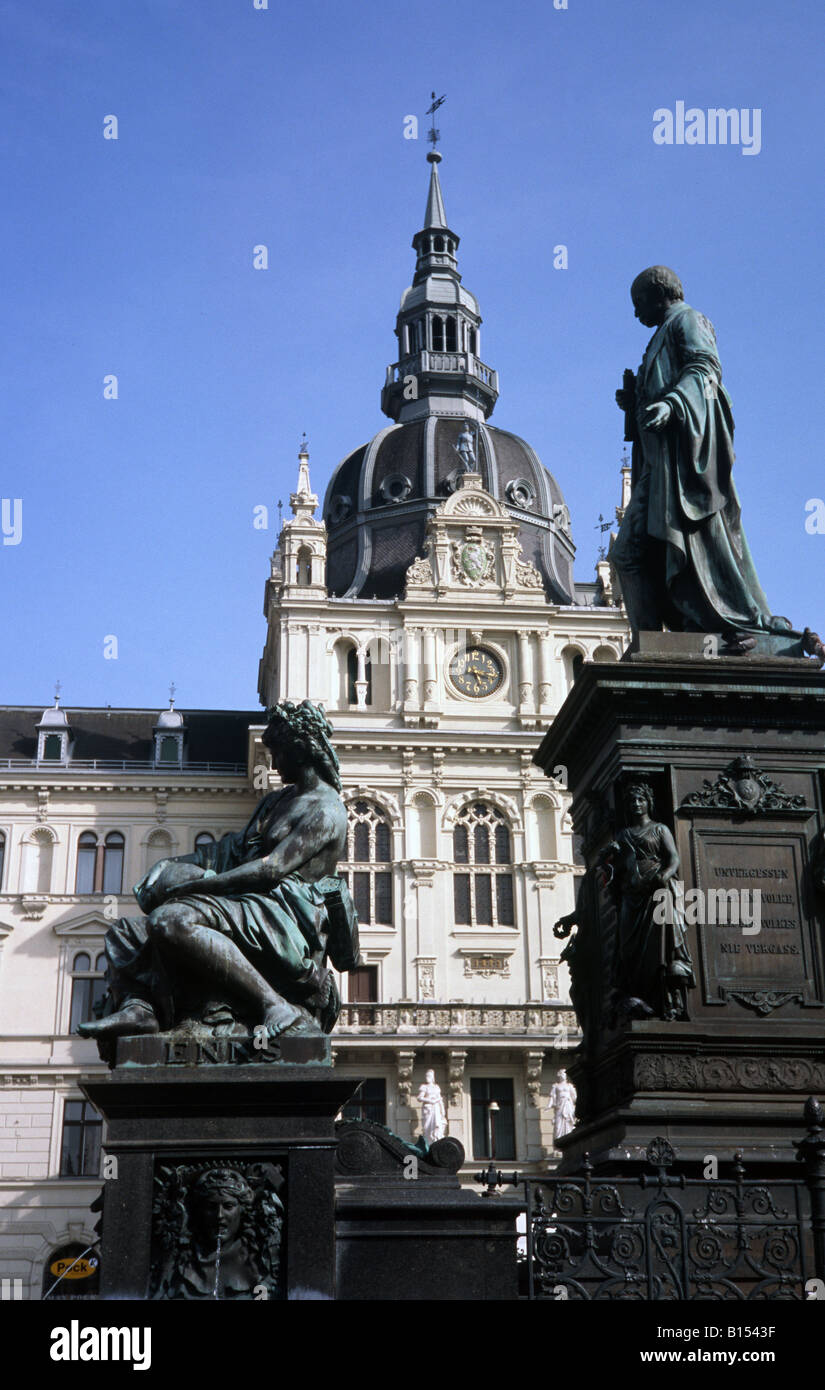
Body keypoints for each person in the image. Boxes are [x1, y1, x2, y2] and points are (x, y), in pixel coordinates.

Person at [78, 701, 360, 1044]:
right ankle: (142, 1010)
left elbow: (271, 870)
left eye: (277, 752)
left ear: (300, 751)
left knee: (171, 920)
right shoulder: (276, 801)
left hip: (285, 913)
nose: (272, 762)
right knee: (124, 932)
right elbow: (230, 851)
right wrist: (172, 866)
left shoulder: (327, 809)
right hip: (249, 902)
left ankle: (275, 1006)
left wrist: (198, 886)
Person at [612, 266, 785, 650]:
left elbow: (705, 370)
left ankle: (727, 621)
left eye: (638, 303)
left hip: (683, 468)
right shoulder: (661, 334)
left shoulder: (688, 320)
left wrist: (673, 405)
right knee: (629, 555)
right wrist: (636, 402)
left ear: (660, 294)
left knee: (670, 549)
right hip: (659, 467)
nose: (636, 313)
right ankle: (649, 643)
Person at [603, 782, 695, 1021]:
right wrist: (608, 858)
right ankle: (636, 993)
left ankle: (666, 994)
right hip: (632, 894)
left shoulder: (660, 829)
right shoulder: (623, 835)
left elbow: (673, 858)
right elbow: (616, 871)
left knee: (657, 945)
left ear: (648, 803)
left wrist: (664, 875)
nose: (636, 804)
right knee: (628, 948)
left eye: (640, 800)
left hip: (655, 890)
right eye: (632, 801)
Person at [417, 1069, 447, 1146]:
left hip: (436, 1108)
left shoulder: (436, 1087)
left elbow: (440, 1099)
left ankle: (436, 1140)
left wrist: (442, 1110)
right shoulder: (424, 1087)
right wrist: (430, 1100)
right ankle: (429, 1142)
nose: (427, 1078)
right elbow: (419, 1098)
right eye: (426, 1076)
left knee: (437, 1126)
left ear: (432, 1077)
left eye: (429, 1076)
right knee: (427, 1128)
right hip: (428, 1109)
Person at [548, 1068, 576, 1144]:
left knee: (568, 1122)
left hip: (568, 1105)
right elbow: (552, 1096)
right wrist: (549, 1106)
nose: (564, 1075)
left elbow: (575, 1097)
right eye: (562, 1074)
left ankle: (569, 1140)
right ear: (559, 1075)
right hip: (559, 1107)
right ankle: (559, 1141)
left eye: (565, 1074)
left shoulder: (569, 1086)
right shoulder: (556, 1086)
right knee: (558, 1125)